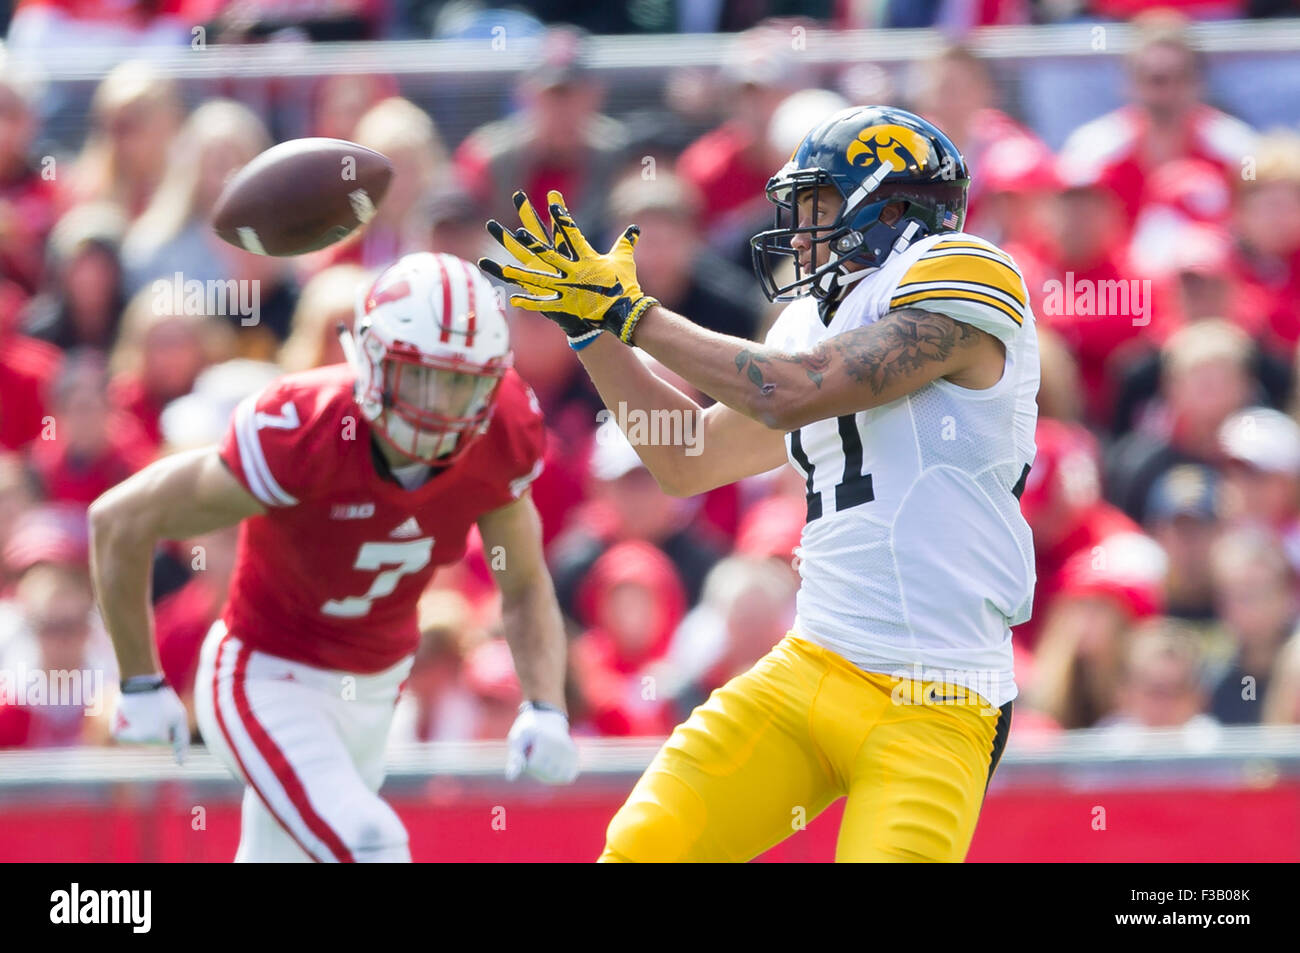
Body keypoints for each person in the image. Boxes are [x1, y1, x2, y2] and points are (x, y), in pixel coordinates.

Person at [483, 105, 1039, 862]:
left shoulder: (965, 272)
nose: (801, 229)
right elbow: (687, 458)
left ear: (897, 206)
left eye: (820, 204)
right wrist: (592, 330)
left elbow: (796, 390)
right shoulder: (808, 317)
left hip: (938, 698)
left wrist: (633, 312)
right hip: (816, 660)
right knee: (646, 845)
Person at [88, 253, 579, 863]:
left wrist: (545, 703)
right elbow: (119, 519)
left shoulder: (503, 431)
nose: (440, 406)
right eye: (419, 376)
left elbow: (524, 583)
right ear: (371, 358)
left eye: (461, 382)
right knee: (370, 843)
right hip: (266, 674)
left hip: (375, 687)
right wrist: (139, 679)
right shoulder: (305, 429)